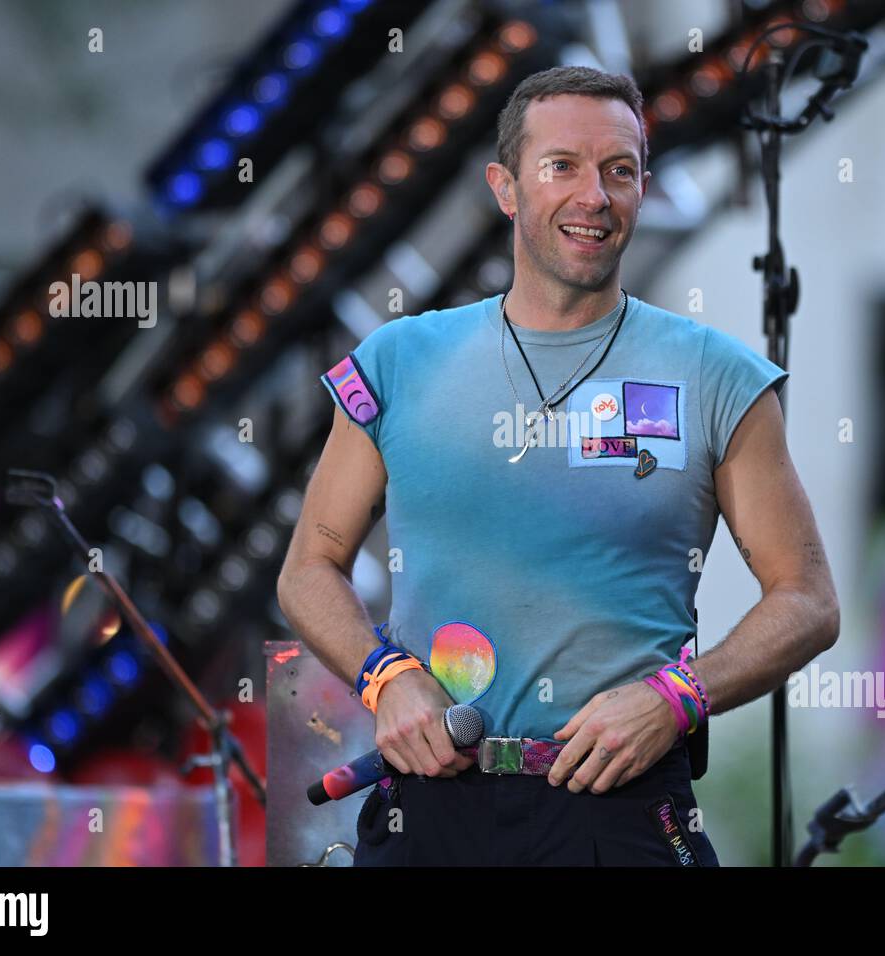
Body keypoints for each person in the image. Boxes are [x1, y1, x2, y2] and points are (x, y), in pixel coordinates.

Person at [277, 65, 839, 866]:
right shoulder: (398, 360)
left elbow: (810, 601)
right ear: (505, 188)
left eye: (620, 171)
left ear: (643, 188)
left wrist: (675, 699)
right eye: (562, 166)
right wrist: (384, 678)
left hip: (620, 809)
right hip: (429, 806)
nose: (594, 196)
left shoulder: (719, 377)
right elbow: (308, 570)